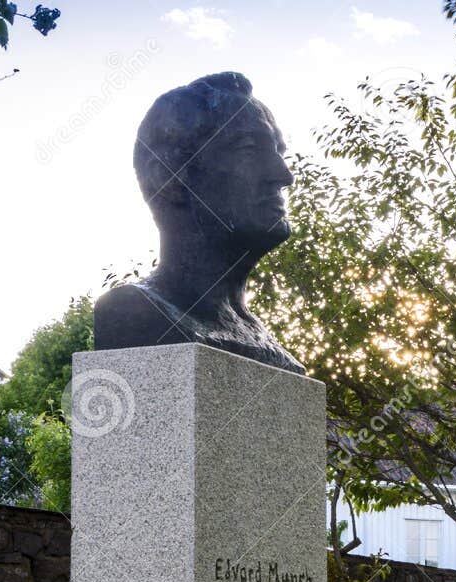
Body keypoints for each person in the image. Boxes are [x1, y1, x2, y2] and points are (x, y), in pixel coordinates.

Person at [94, 72, 304, 372]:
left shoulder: (261, 341)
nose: (284, 175)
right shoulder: (132, 313)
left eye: (279, 152)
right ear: (168, 175)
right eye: (249, 149)